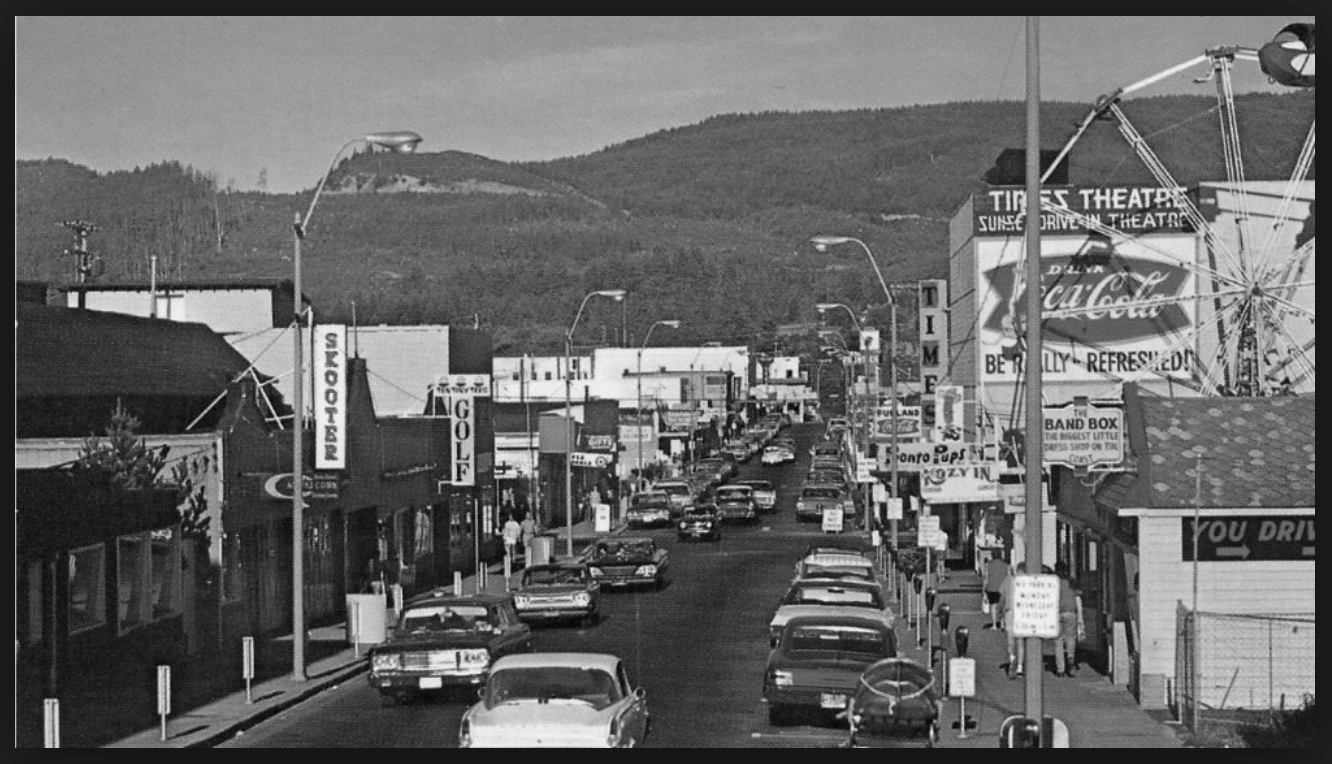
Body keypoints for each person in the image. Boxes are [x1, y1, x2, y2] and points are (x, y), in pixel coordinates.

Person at [1055, 563, 1083, 677]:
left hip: (1057, 612)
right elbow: (1079, 594)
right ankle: (1070, 659)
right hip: (1071, 611)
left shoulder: (1054, 582)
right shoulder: (1072, 581)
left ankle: (1060, 669)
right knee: (1070, 637)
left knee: (1058, 640)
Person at [1002, 561, 1027, 679]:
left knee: (1010, 638)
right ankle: (1020, 667)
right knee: (1020, 641)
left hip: (1010, 611)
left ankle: (1012, 657)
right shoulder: (1027, 583)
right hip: (1022, 612)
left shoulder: (1009, 580)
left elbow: (1002, 595)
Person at [982, 553, 1010, 630]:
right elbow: (1007, 576)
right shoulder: (1005, 565)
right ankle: (1002, 623)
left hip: (992, 588)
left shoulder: (989, 565)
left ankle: (994, 625)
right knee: (1003, 606)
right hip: (1002, 587)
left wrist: (984, 590)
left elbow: (986, 578)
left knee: (993, 606)